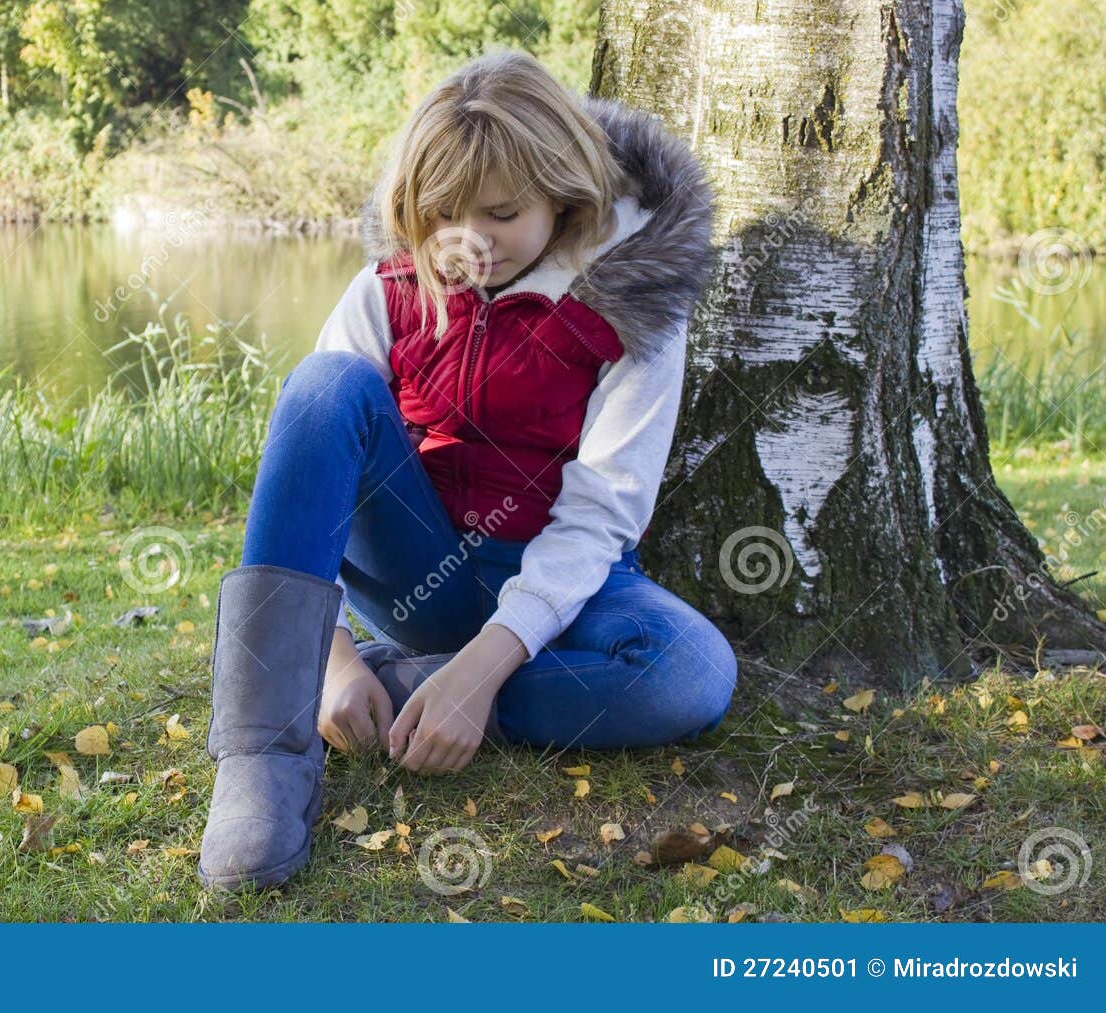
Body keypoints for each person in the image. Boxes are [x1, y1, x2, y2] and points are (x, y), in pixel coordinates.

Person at [197, 48, 737, 893]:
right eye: (442, 212)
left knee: (689, 673)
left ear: (564, 194)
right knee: (321, 386)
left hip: (567, 586)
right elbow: (313, 473)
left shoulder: (633, 303)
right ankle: (266, 741)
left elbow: (601, 516)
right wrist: (334, 653)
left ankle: (412, 682)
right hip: (418, 569)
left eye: (500, 213)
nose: (465, 242)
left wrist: (475, 675)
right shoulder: (386, 289)